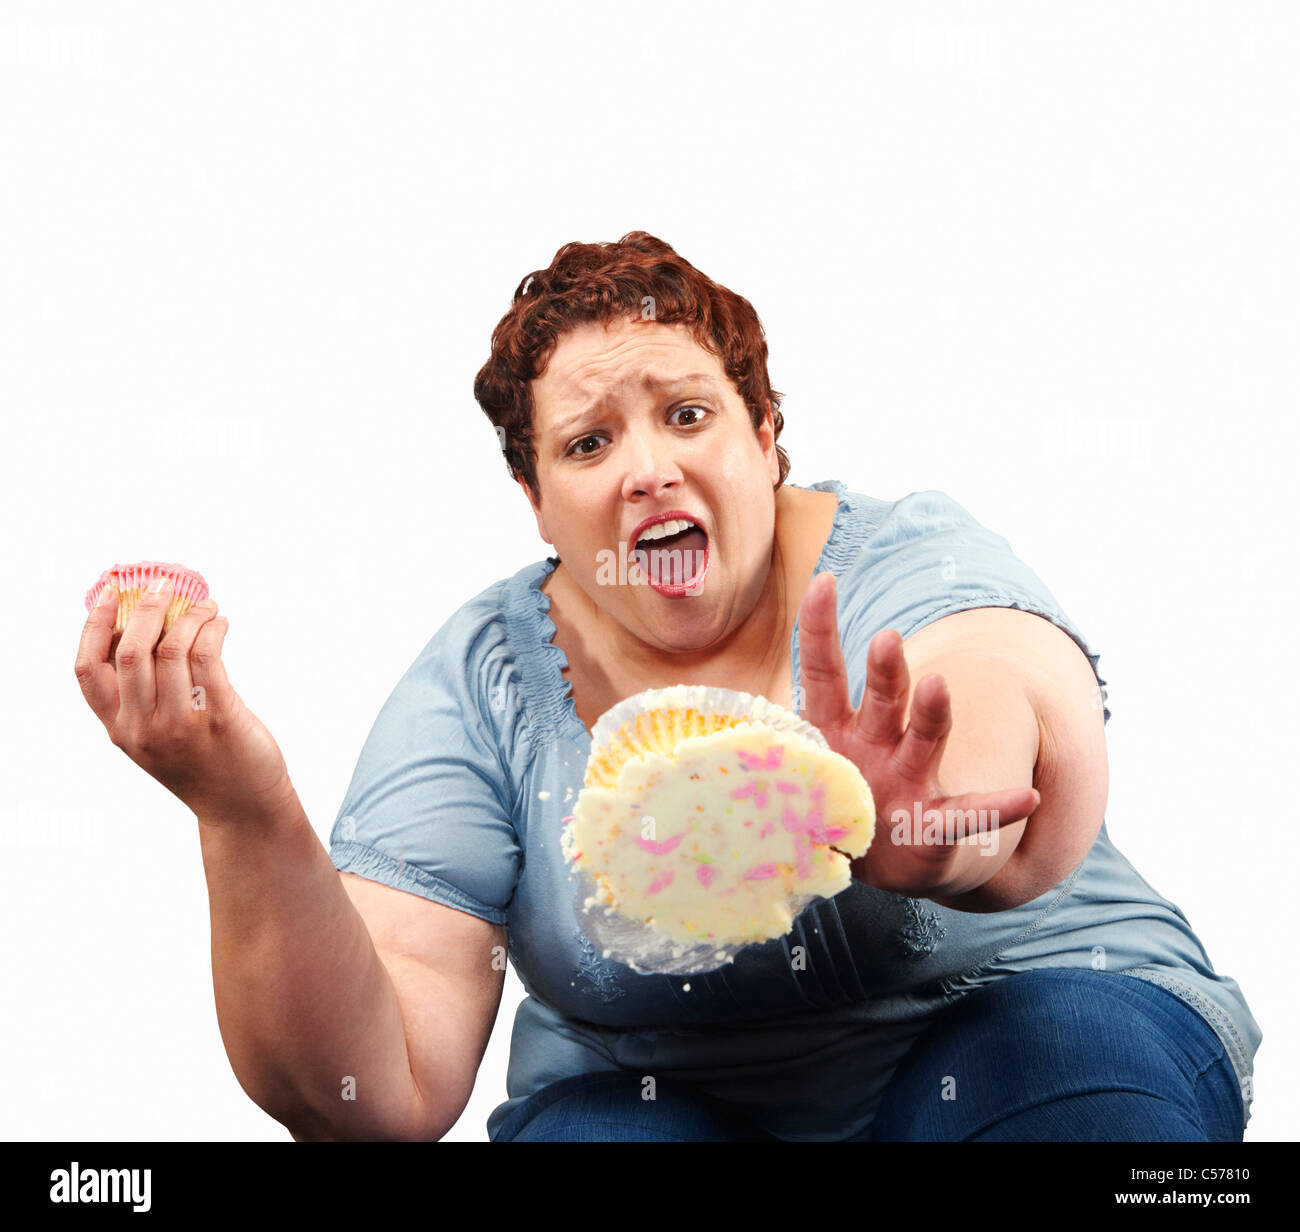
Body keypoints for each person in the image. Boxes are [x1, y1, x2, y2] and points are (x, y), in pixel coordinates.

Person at [76, 231, 1261, 1142]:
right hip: (662, 1093)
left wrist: (924, 823)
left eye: (688, 414)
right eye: (588, 444)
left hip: (1019, 1019)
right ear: (537, 499)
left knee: (1060, 1079)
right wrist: (245, 812)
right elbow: (371, 1084)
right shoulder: (481, 679)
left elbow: (1008, 720)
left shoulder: (901, 559)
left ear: (765, 438)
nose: (647, 468)